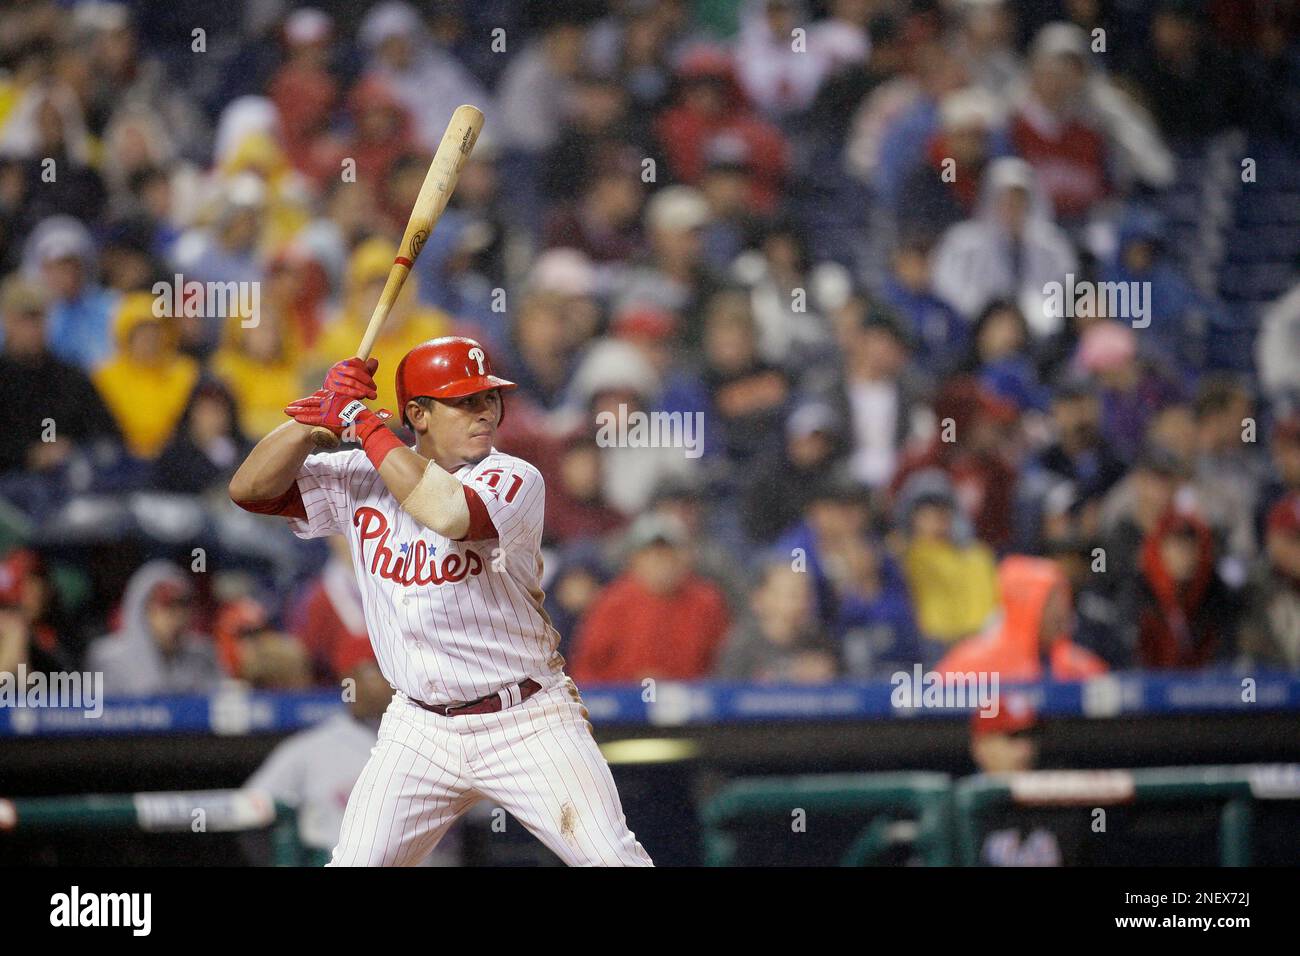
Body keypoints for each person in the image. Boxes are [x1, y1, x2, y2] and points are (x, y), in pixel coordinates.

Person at [228, 335, 652, 866]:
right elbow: (250, 490)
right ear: (419, 415)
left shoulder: (515, 477)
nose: (485, 412)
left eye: (488, 398)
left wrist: (362, 423)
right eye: (464, 401)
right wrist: (310, 422)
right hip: (419, 727)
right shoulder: (363, 477)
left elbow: (450, 513)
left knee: (612, 859)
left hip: (524, 718)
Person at [244, 646, 428, 866]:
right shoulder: (309, 749)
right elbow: (248, 811)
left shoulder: (430, 738)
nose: (385, 682)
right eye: (371, 673)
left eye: (385, 673)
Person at [938, 556, 1107, 773]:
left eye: (1062, 597)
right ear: (1025, 601)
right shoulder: (970, 660)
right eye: (1049, 600)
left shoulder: (1082, 665)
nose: (1061, 611)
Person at [570, 513, 731, 683]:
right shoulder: (612, 603)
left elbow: (723, 667)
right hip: (623, 704)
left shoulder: (707, 602)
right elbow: (586, 670)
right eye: (650, 555)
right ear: (635, 560)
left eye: (667, 554)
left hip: (694, 703)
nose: (659, 563)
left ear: (685, 558)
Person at [85, 561, 222, 696]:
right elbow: (99, 714)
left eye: (183, 605)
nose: (177, 617)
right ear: (142, 610)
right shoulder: (108, 658)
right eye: (167, 606)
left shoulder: (202, 656)